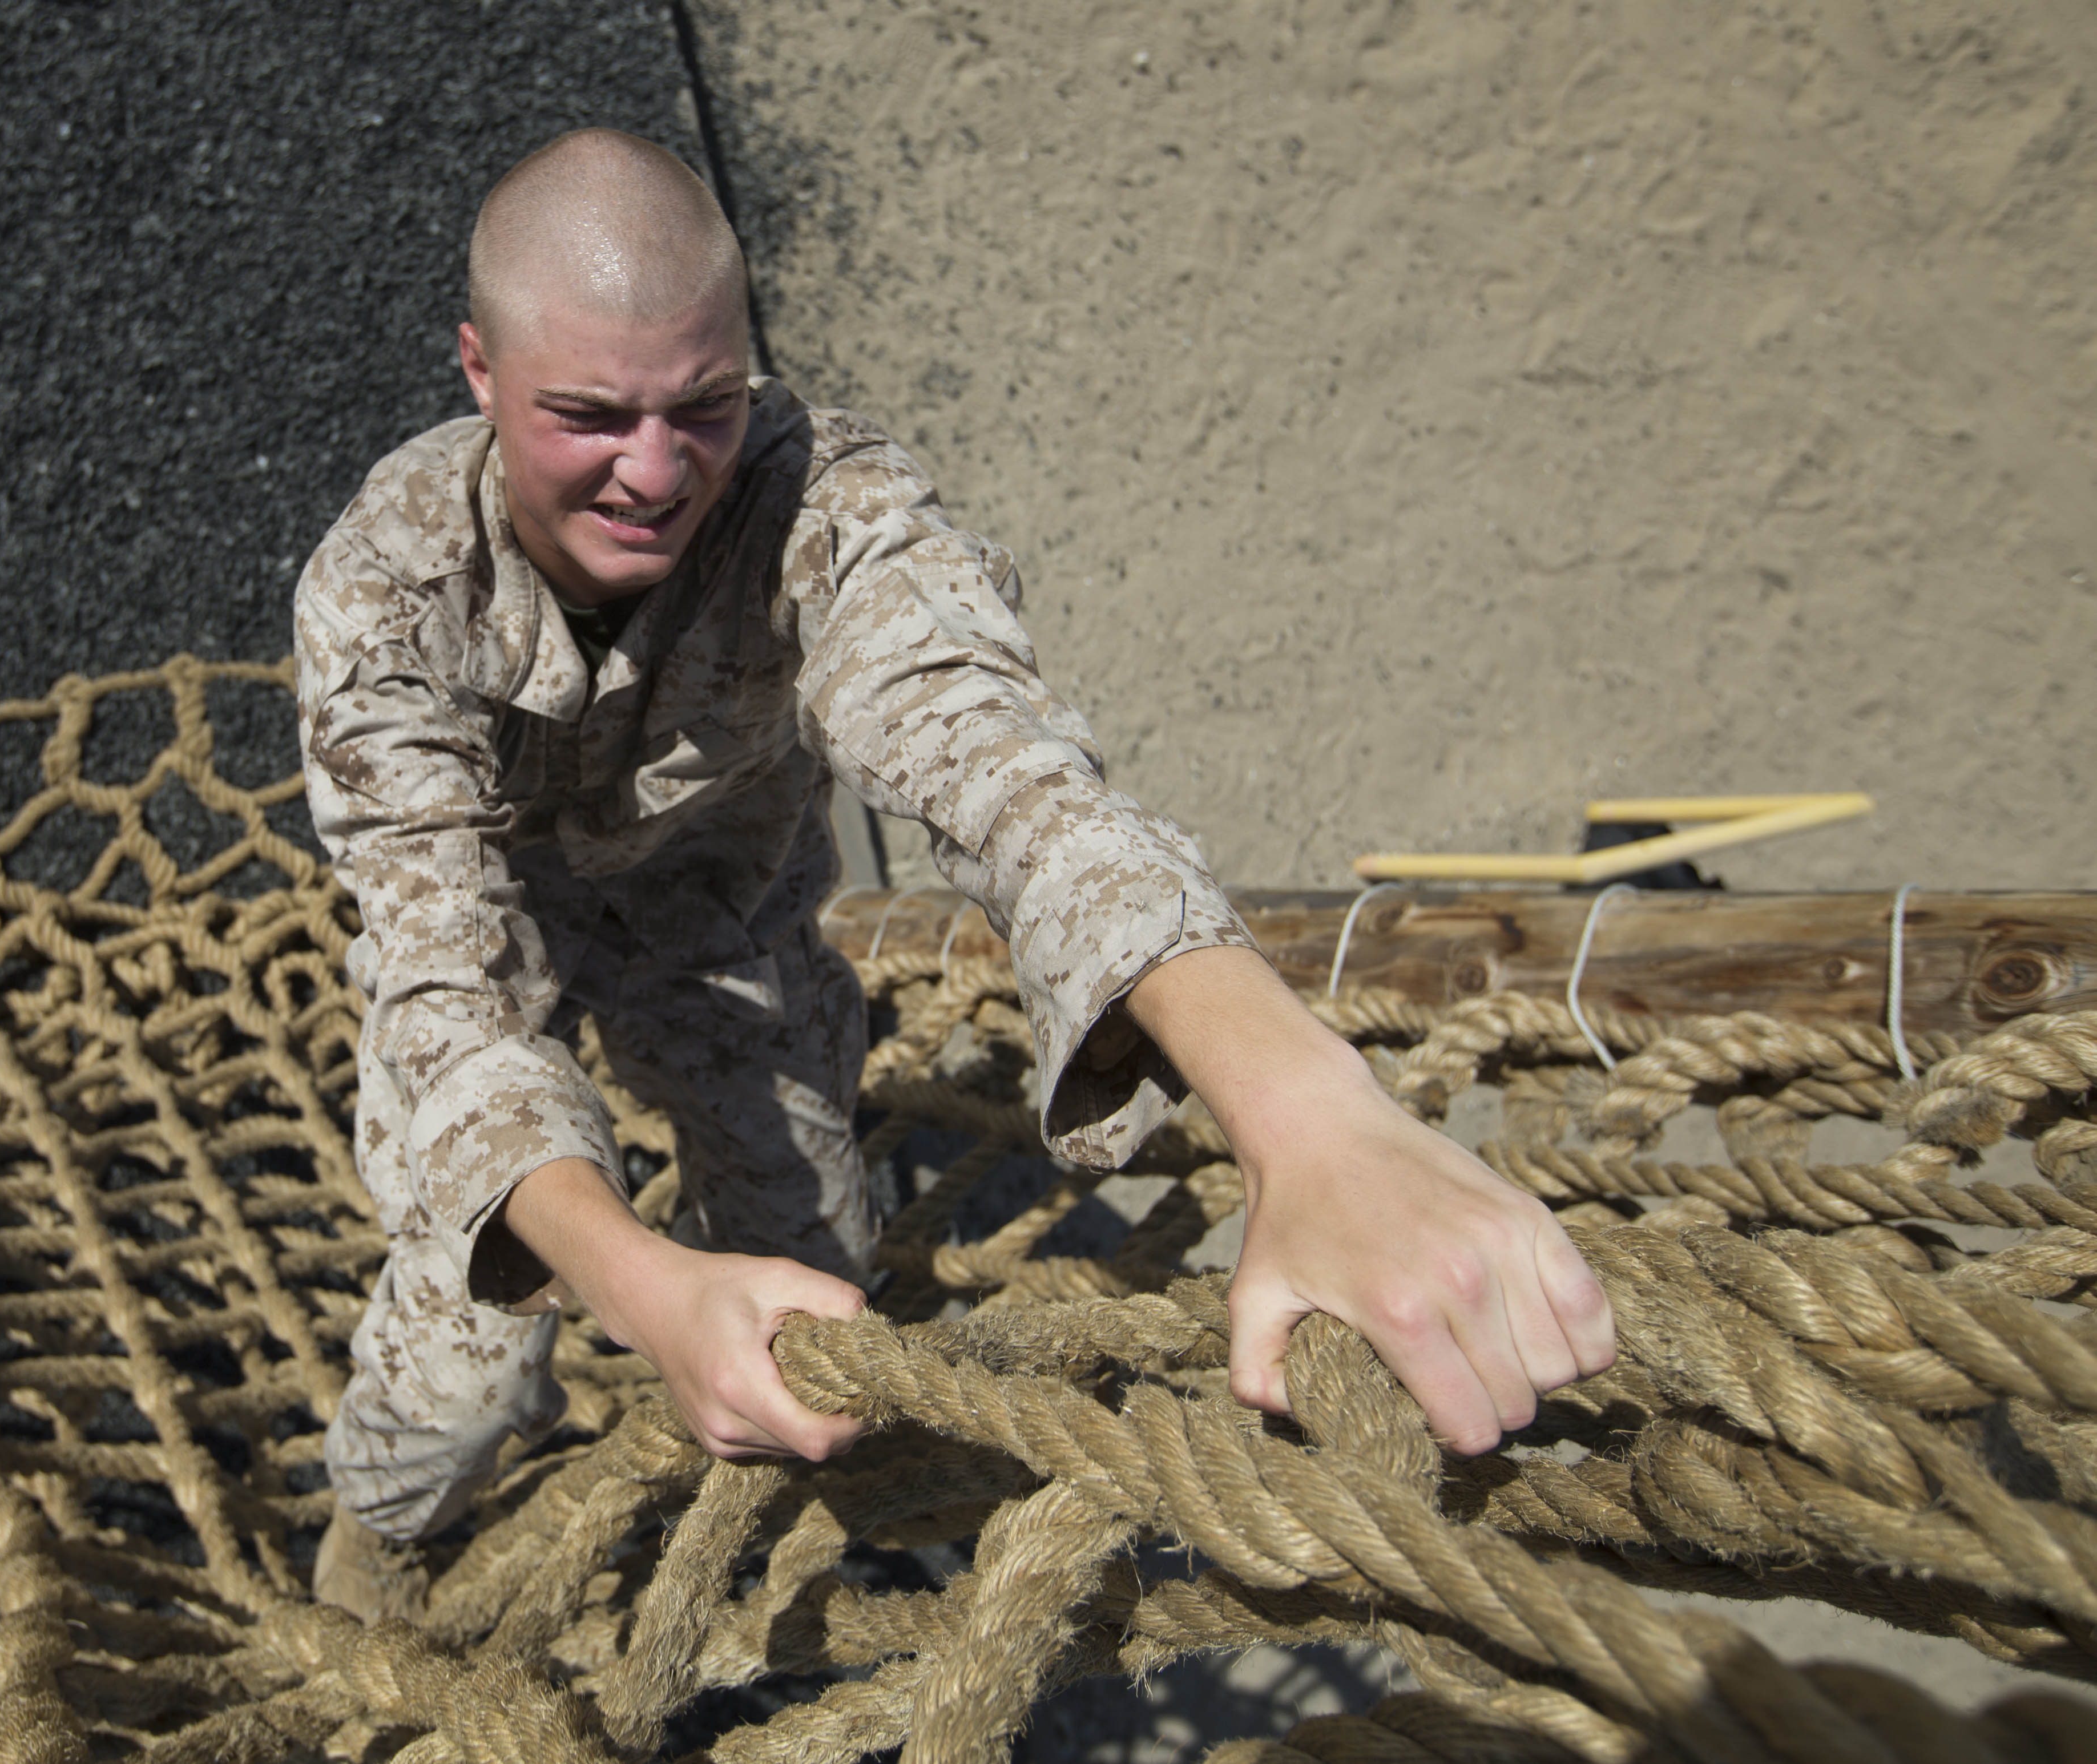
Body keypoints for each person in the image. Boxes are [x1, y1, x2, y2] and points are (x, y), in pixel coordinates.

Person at [296, 127, 1613, 1621]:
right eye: (589, 415)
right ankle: (385, 1521)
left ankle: (802, 1506)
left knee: (819, 1271)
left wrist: (1309, 1112)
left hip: (715, 936)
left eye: (705, 404)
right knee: (466, 1360)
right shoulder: (386, 592)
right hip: (494, 939)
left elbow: (1013, 776)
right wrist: (644, 1288)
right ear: (480, 370)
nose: (655, 473)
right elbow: (457, 1001)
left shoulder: (821, 504)